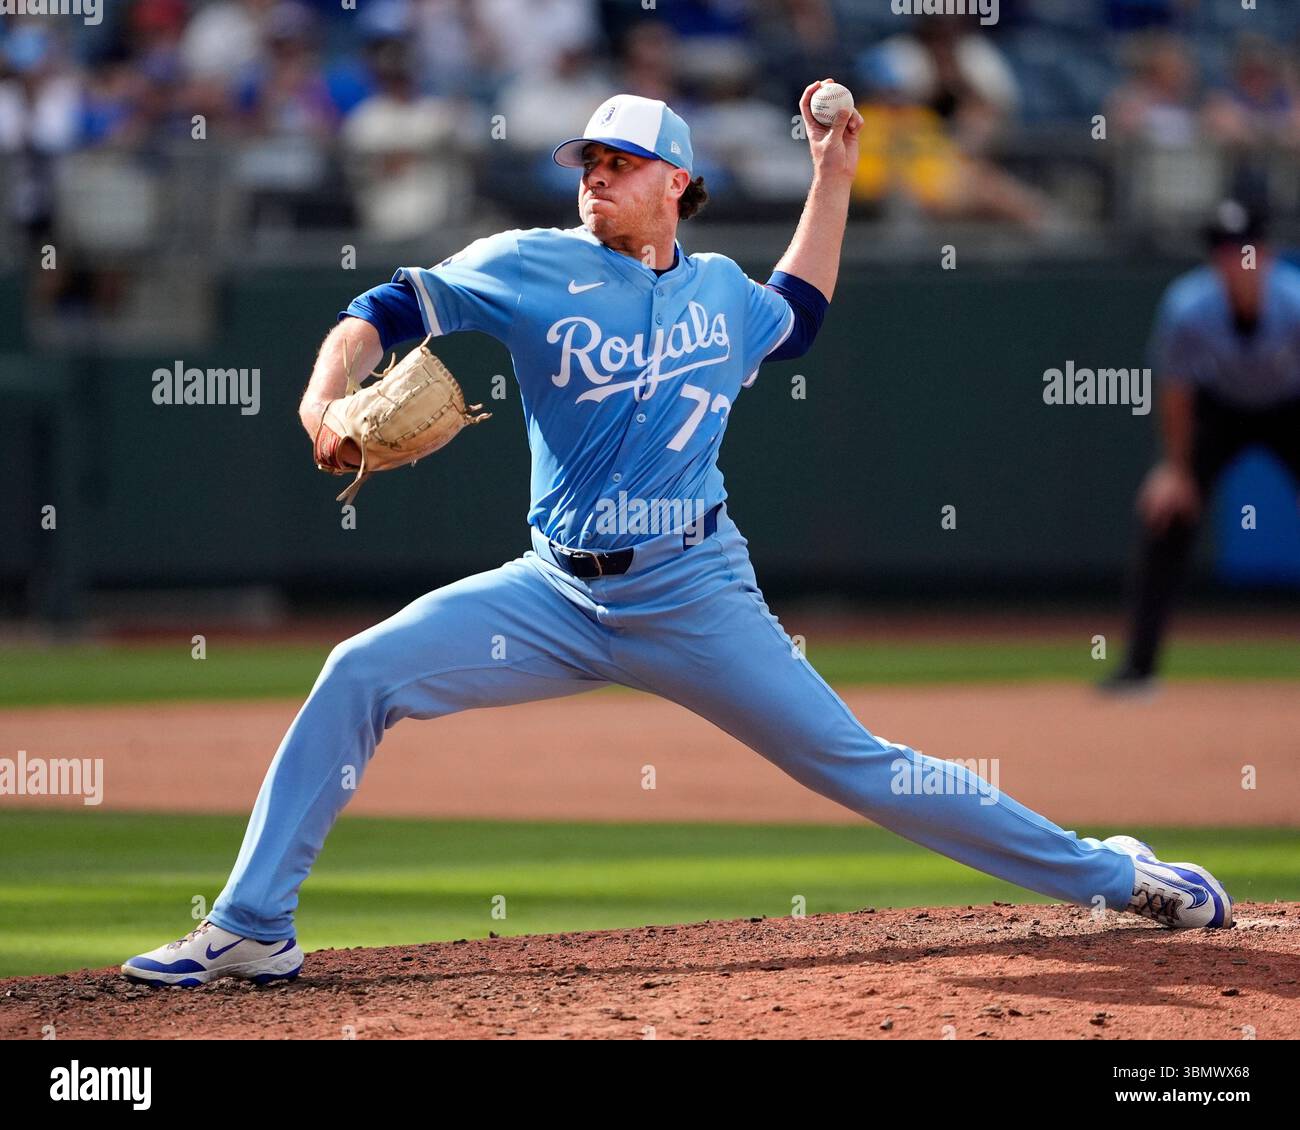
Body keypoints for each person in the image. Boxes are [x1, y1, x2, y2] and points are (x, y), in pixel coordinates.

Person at [121, 84, 1233, 987]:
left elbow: (800, 316)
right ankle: (252, 927)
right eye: (587, 161)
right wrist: (322, 399)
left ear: (677, 185)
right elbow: (383, 309)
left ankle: (1115, 875)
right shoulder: (530, 263)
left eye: (620, 161)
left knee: (862, 769)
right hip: (552, 594)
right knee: (358, 671)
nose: (595, 175)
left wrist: (833, 171)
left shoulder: (721, 293)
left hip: (695, 592)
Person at [1103, 199, 1300, 690]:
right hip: (1221, 410)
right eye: (1223, 250)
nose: (1233, 260)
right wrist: (1176, 469)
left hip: (1290, 406)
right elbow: (1177, 393)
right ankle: (1139, 669)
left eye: (1244, 249)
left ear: (1266, 254)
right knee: (1167, 512)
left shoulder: (1294, 303)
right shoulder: (1188, 308)